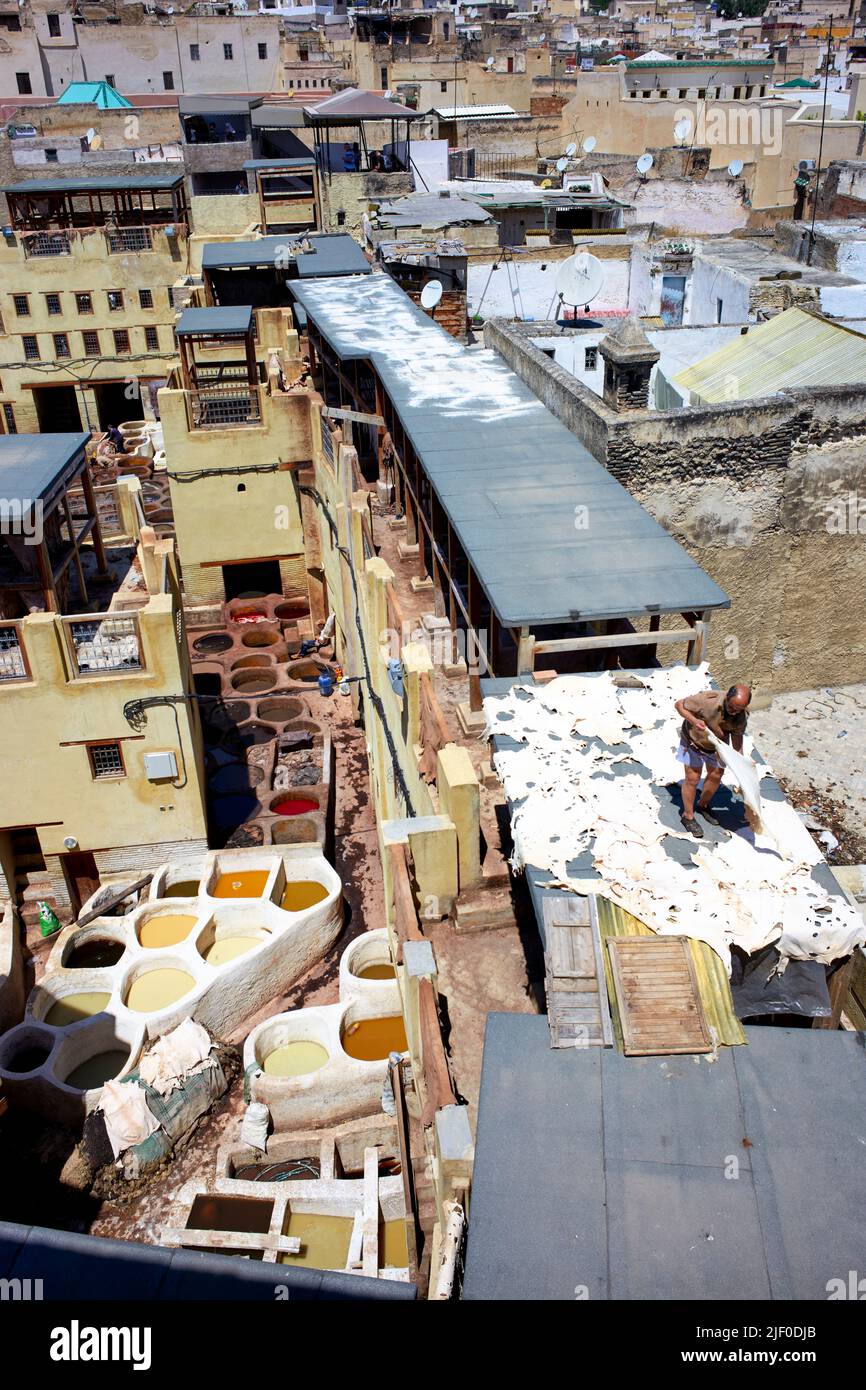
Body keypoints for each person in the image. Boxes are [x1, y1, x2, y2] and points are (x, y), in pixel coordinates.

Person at [673, 683, 752, 838]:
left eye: (738, 710)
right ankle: (687, 816)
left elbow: (737, 743)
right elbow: (679, 705)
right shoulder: (707, 700)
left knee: (716, 775)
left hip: (716, 746)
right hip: (693, 741)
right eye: (731, 707)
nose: (734, 712)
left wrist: (743, 763)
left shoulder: (740, 717)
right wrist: (694, 721)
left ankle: (703, 805)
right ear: (727, 698)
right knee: (692, 778)